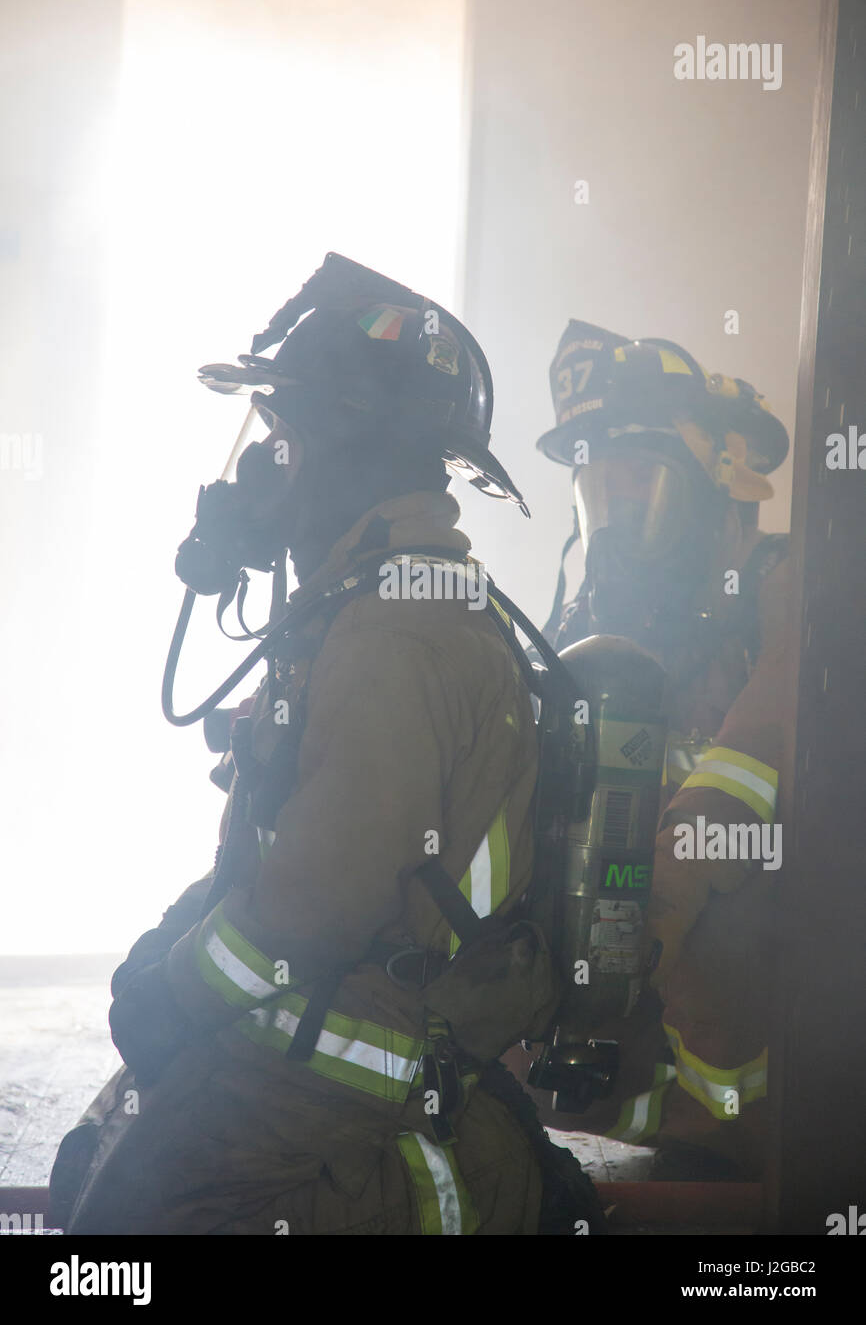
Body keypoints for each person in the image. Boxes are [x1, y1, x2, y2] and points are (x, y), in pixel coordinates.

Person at [50, 257, 603, 1235]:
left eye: (282, 439)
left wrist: (176, 993)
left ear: (351, 445)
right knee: (89, 1166)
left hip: (372, 1046)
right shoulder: (361, 604)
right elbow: (286, 848)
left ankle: (483, 1178)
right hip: (325, 1017)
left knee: (129, 1222)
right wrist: (185, 928)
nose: (262, 470)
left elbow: (318, 901)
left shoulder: (396, 630)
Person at [512, 319, 791, 1183]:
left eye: (641, 478)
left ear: (714, 485)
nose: (618, 513)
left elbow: (750, 761)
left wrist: (653, 913)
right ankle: (644, 1115)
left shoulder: (786, 589)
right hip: (641, 939)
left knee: (724, 940)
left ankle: (735, 1141)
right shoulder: (598, 633)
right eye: (599, 487)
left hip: (749, 926)